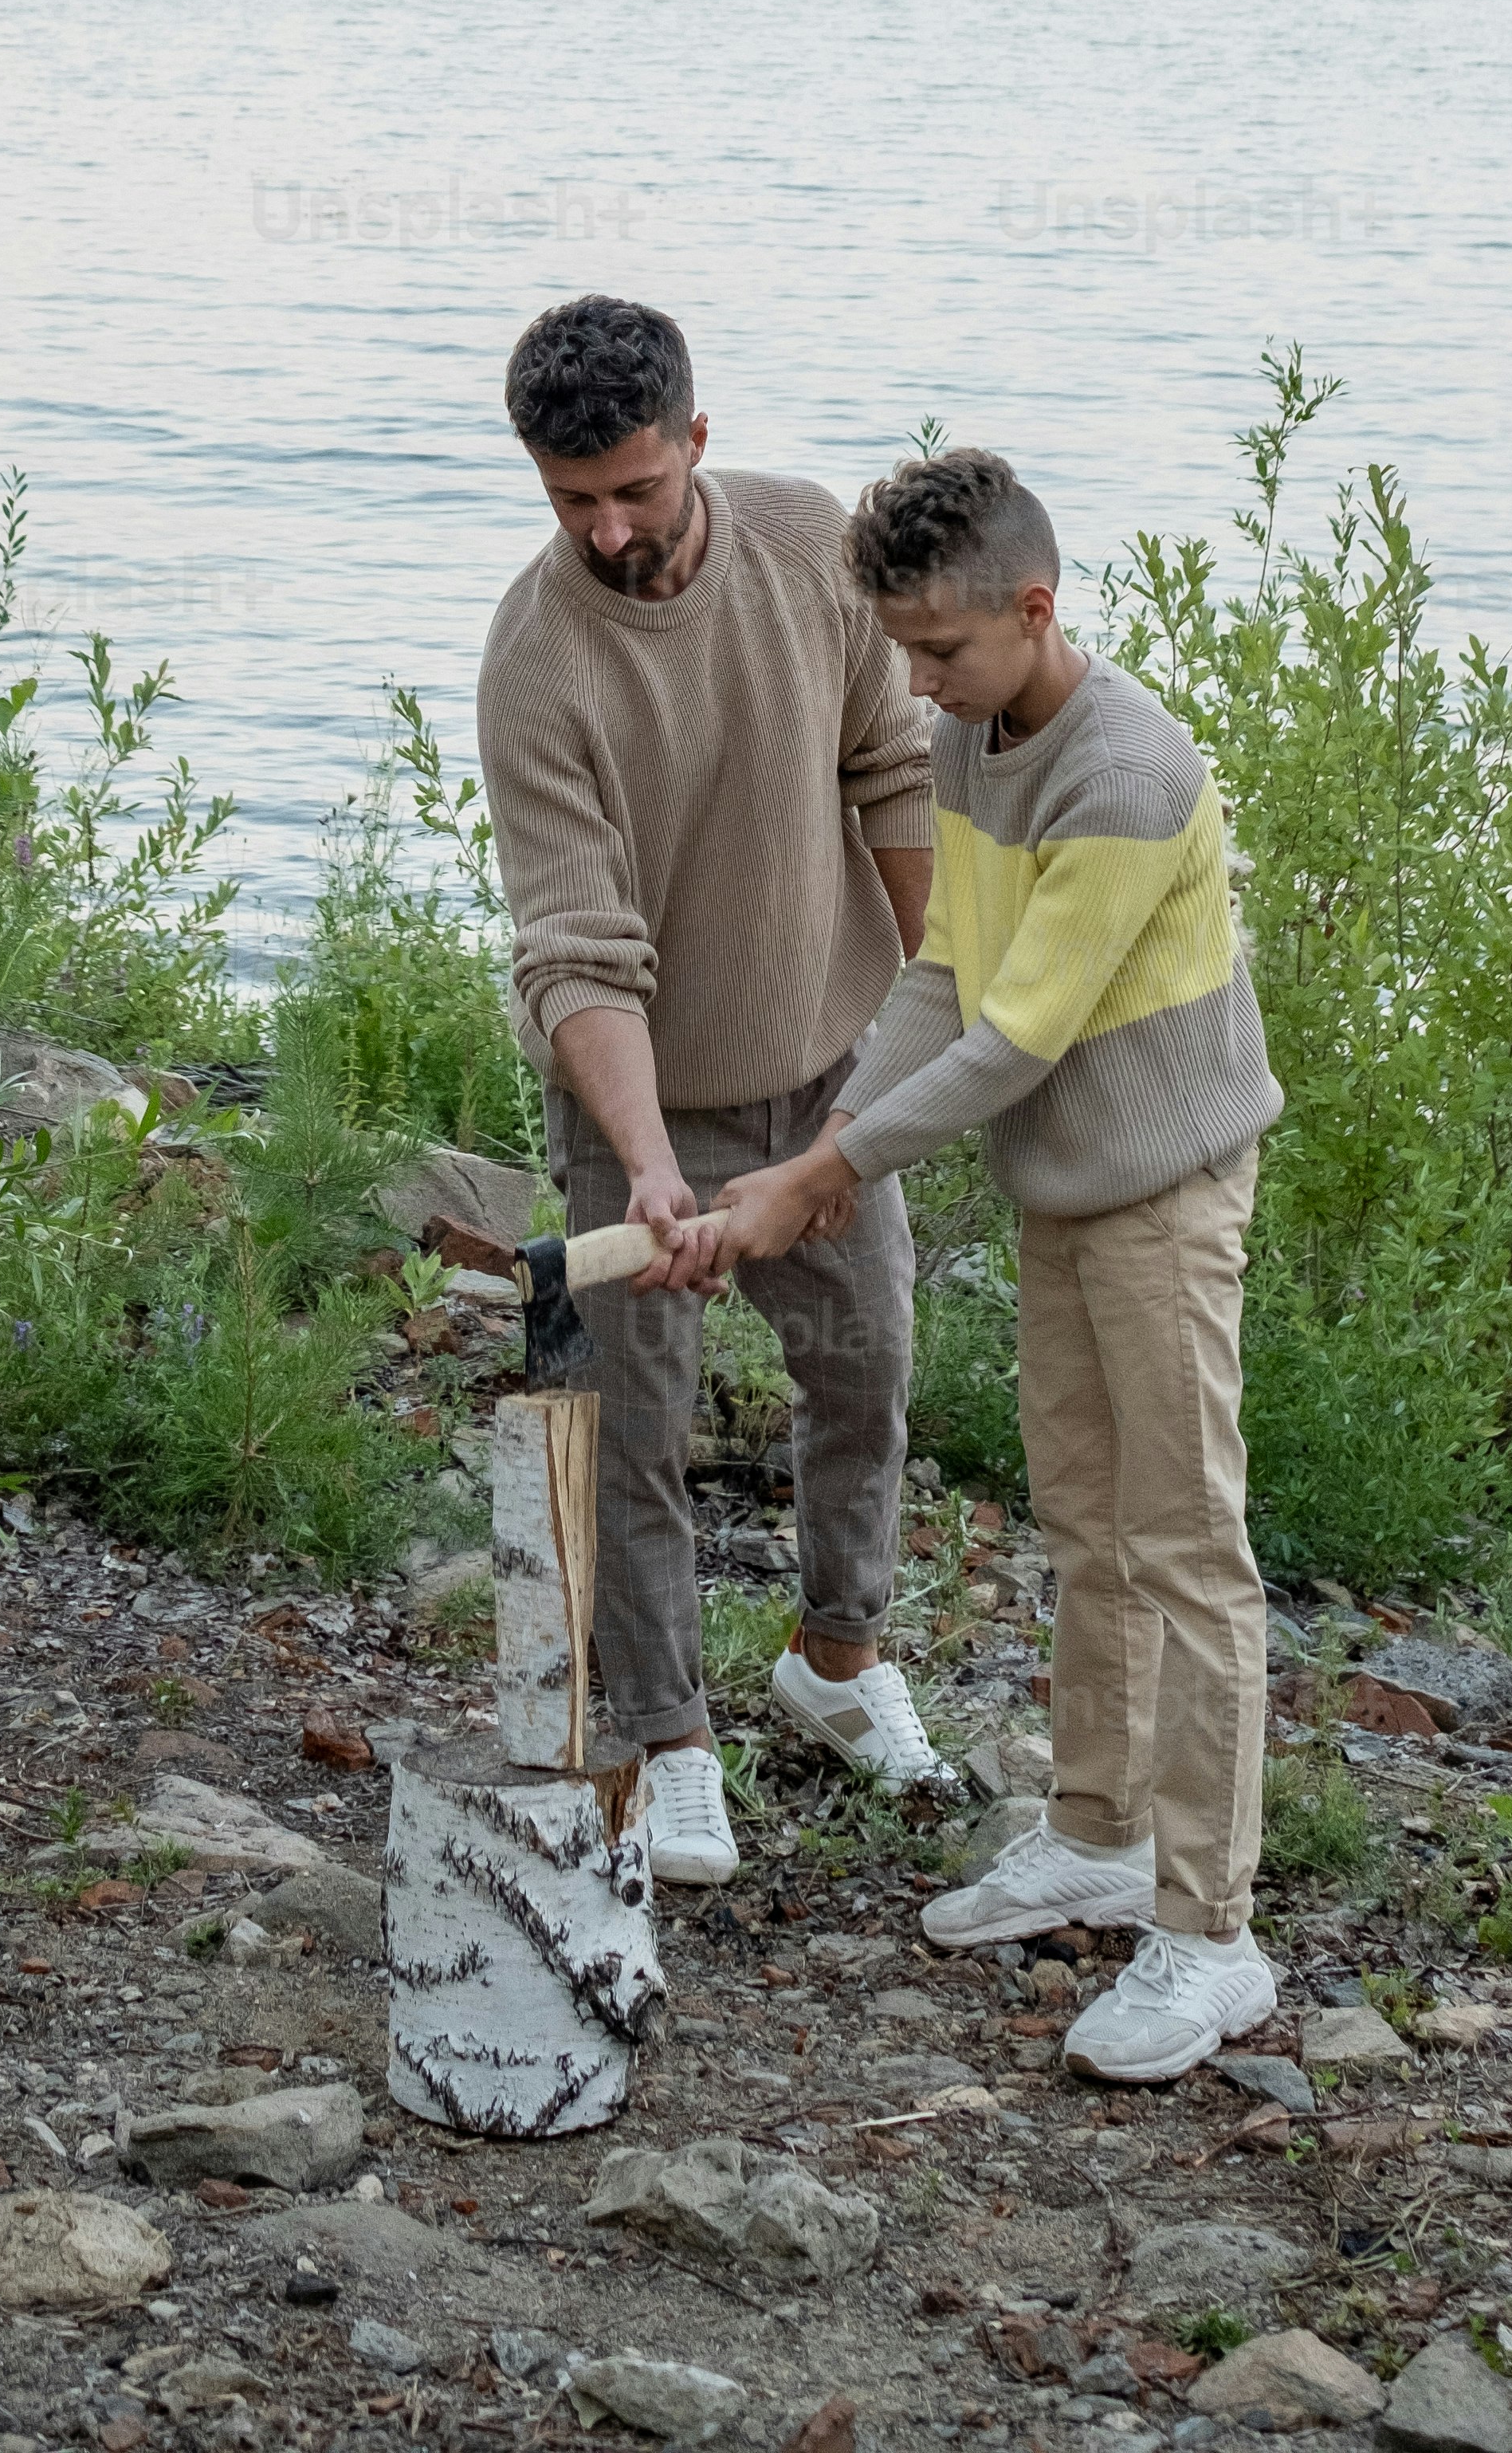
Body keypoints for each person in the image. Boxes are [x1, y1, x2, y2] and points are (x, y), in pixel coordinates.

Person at [689, 442, 1286, 2083]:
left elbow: (1024, 1032)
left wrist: (822, 1169)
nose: (923, 687)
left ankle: (1211, 1932)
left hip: (1162, 1192)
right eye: (905, 656)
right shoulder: (969, 745)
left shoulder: (1129, 774)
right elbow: (947, 971)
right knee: (1085, 1522)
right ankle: (1095, 1831)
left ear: (1035, 607)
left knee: (1187, 1551)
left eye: (944, 652)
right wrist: (833, 1130)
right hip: (1060, 1193)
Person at [475, 292, 952, 1888]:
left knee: (866, 1371)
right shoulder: (537, 664)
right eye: (569, 502)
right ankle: (668, 1742)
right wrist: (645, 1162)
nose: (607, 529)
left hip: (832, 1070)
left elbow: (891, 769)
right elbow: (574, 951)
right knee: (634, 1435)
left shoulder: (811, 543)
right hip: (645, 1111)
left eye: (634, 489)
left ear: (696, 439)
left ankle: (831, 1664)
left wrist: (930, 1026)